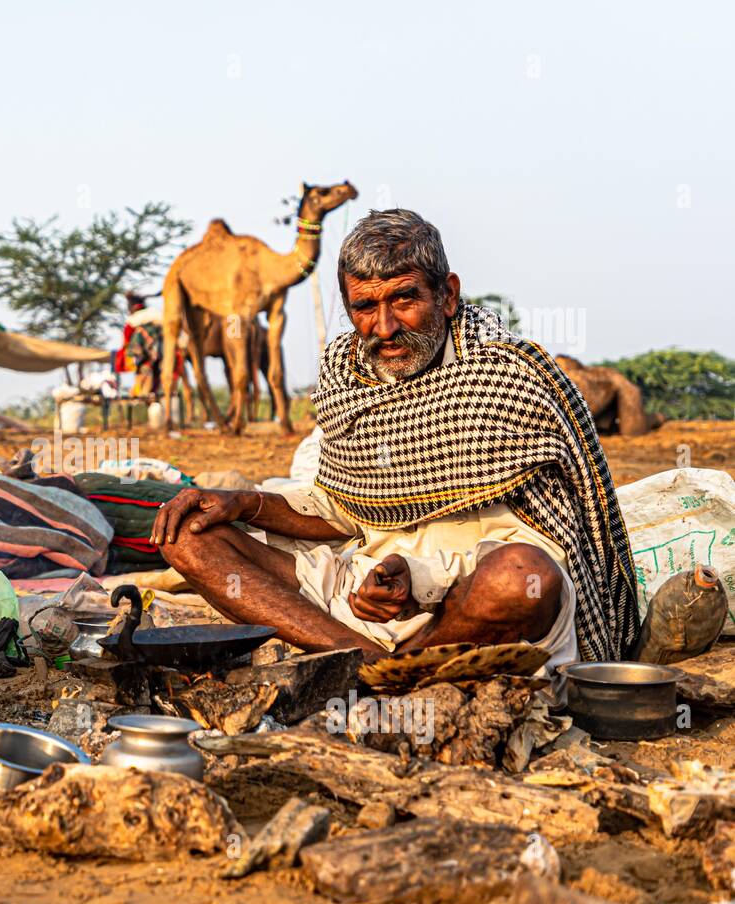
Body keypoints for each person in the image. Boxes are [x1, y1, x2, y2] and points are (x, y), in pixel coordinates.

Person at [152, 209, 639, 665]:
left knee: (521, 577)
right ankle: (367, 663)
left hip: (469, 604)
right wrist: (241, 503)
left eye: (403, 299)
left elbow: (551, 548)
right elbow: (345, 506)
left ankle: (366, 665)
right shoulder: (347, 374)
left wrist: (419, 580)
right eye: (364, 307)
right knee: (186, 534)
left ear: (447, 295)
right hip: (359, 598)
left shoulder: (506, 379)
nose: (384, 327)